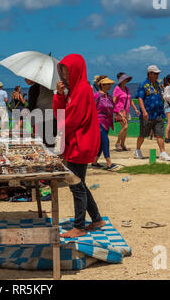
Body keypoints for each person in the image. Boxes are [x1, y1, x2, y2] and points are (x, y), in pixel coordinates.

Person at [53, 54, 105, 238]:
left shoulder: (81, 89)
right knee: (80, 183)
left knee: (75, 185)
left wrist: (58, 132)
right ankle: (97, 219)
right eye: (63, 71)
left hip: (80, 142)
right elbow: (62, 114)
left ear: (76, 70)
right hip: (77, 141)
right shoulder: (75, 90)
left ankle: (79, 226)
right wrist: (59, 96)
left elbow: (70, 119)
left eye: (67, 71)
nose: (65, 75)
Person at [134, 65, 170, 161]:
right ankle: (137, 150)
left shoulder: (157, 84)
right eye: (155, 73)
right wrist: (144, 111)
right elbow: (140, 98)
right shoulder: (144, 84)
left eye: (158, 73)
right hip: (148, 114)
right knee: (143, 134)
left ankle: (163, 152)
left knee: (159, 134)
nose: (157, 75)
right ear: (150, 74)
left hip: (158, 113)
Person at [91, 76, 118, 171]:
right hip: (98, 121)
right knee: (105, 141)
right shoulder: (96, 95)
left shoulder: (109, 97)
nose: (110, 86)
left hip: (107, 122)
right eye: (108, 84)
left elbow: (114, 108)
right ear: (102, 85)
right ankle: (109, 163)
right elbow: (91, 108)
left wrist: (120, 114)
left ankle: (94, 162)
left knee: (101, 144)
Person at [113, 72, 140, 151]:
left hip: (126, 111)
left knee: (125, 128)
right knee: (125, 126)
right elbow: (113, 101)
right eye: (124, 79)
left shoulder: (127, 89)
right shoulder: (117, 89)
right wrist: (118, 112)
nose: (126, 80)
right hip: (120, 111)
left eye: (126, 79)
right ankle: (118, 143)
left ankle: (122, 144)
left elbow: (130, 100)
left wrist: (135, 109)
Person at [27, 78, 56, 147]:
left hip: (42, 119)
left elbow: (31, 106)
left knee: (44, 143)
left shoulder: (34, 88)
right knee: (52, 143)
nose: (26, 80)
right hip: (54, 117)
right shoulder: (53, 87)